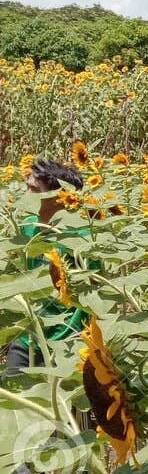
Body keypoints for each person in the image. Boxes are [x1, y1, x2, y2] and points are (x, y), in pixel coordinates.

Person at [6, 158, 87, 377]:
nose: (26, 194)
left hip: (67, 342)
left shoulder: (80, 237)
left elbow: (90, 293)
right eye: (27, 186)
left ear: (57, 196)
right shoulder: (28, 227)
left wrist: (74, 335)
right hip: (28, 337)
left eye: (33, 189)